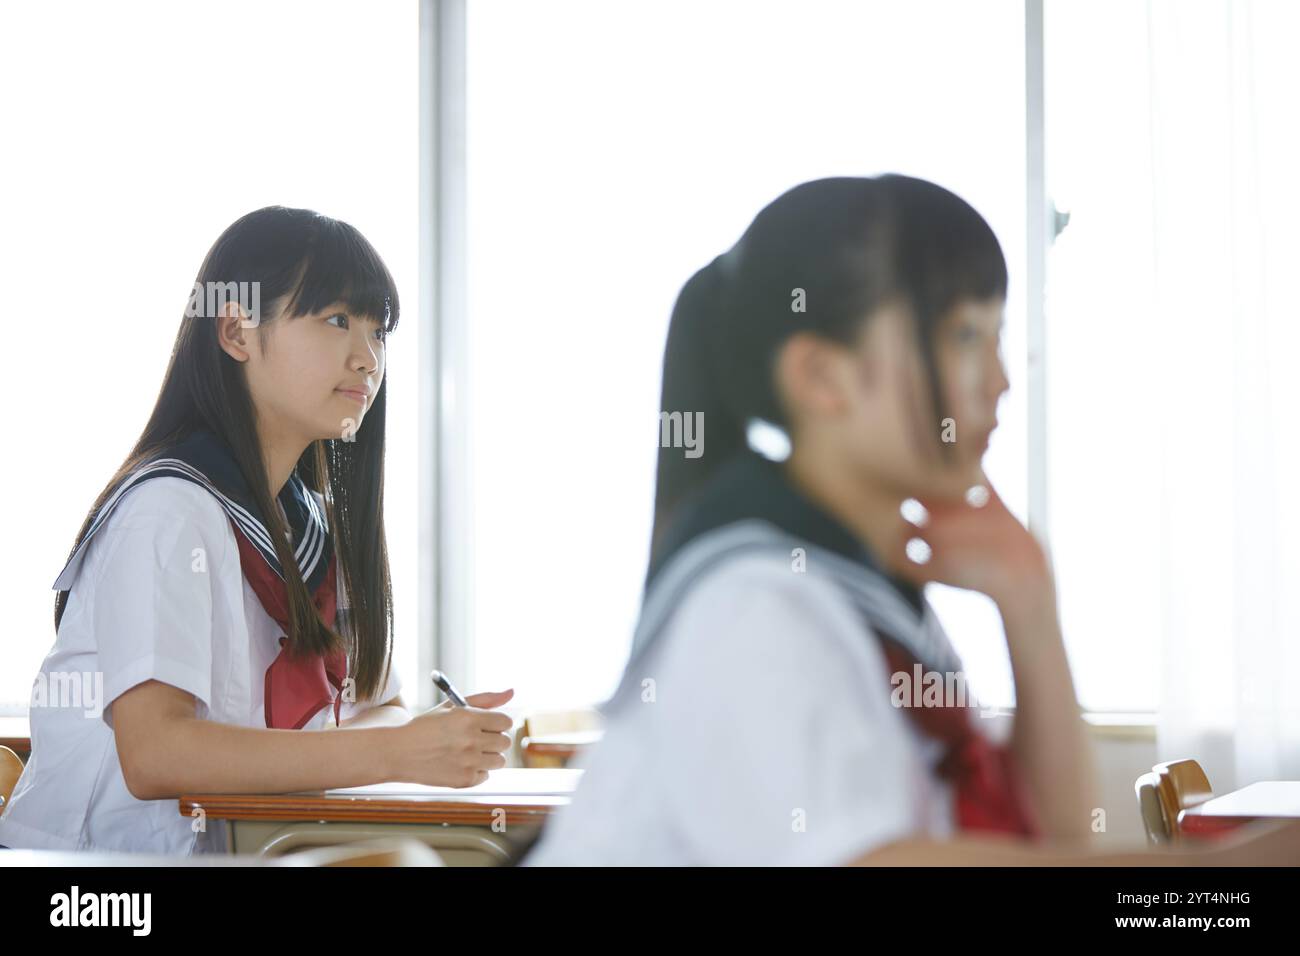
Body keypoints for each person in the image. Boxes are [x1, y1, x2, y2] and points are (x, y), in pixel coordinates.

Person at [524, 175, 1300, 865]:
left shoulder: (852, 586)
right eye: (964, 336)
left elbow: (1054, 837)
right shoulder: (752, 606)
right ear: (820, 375)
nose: (998, 381)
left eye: (999, 338)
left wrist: (1029, 605)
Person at [0, 207, 512, 854]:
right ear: (237, 331)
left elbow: (376, 707)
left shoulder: (312, 526)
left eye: (379, 331)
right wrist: (398, 751)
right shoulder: (170, 511)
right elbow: (156, 752)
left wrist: (419, 740)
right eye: (336, 320)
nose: (367, 358)